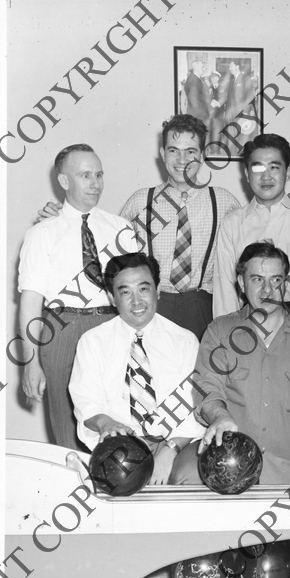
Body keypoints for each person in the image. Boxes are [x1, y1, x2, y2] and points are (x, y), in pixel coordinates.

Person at [37, 115, 243, 341]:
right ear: (163, 154)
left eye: (191, 151)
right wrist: (65, 216)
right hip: (151, 306)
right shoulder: (139, 201)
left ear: (202, 155)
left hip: (202, 307)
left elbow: (252, 239)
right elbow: (102, 239)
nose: (182, 159)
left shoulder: (224, 201)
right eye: (174, 150)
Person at [18, 144, 139, 450]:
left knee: (116, 419)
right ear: (64, 181)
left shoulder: (121, 228)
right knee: (68, 427)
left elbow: (137, 289)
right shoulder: (42, 234)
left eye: (99, 174)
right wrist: (30, 364)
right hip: (62, 329)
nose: (95, 183)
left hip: (113, 326)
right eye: (85, 175)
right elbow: (31, 303)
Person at [192, 241, 290, 483]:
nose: (267, 291)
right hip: (230, 474)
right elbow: (206, 386)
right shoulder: (220, 331)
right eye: (257, 280)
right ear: (241, 283)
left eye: (275, 280)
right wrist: (220, 416)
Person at [69, 253, 204, 483]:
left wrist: (169, 449)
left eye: (144, 289)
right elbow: (86, 401)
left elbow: (194, 406)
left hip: (176, 441)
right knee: (117, 481)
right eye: (125, 292)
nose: (137, 301)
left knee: (192, 476)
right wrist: (106, 423)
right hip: (121, 442)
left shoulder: (185, 340)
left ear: (157, 290)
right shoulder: (93, 341)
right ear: (112, 297)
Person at [212, 134, 290, 330]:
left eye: (274, 167)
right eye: (257, 168)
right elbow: (225, 294)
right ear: (246, 174)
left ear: (288, 172)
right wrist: (227, 336)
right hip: (249, 323)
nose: (266, 176)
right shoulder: (232, 224)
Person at [184, 54, 212, 128]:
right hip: (198, 116)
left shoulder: (199, 79)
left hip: (202, 114)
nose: (204, 69)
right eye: (202, 67)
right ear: (195, 67)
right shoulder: (192, 79)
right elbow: (193, 100)